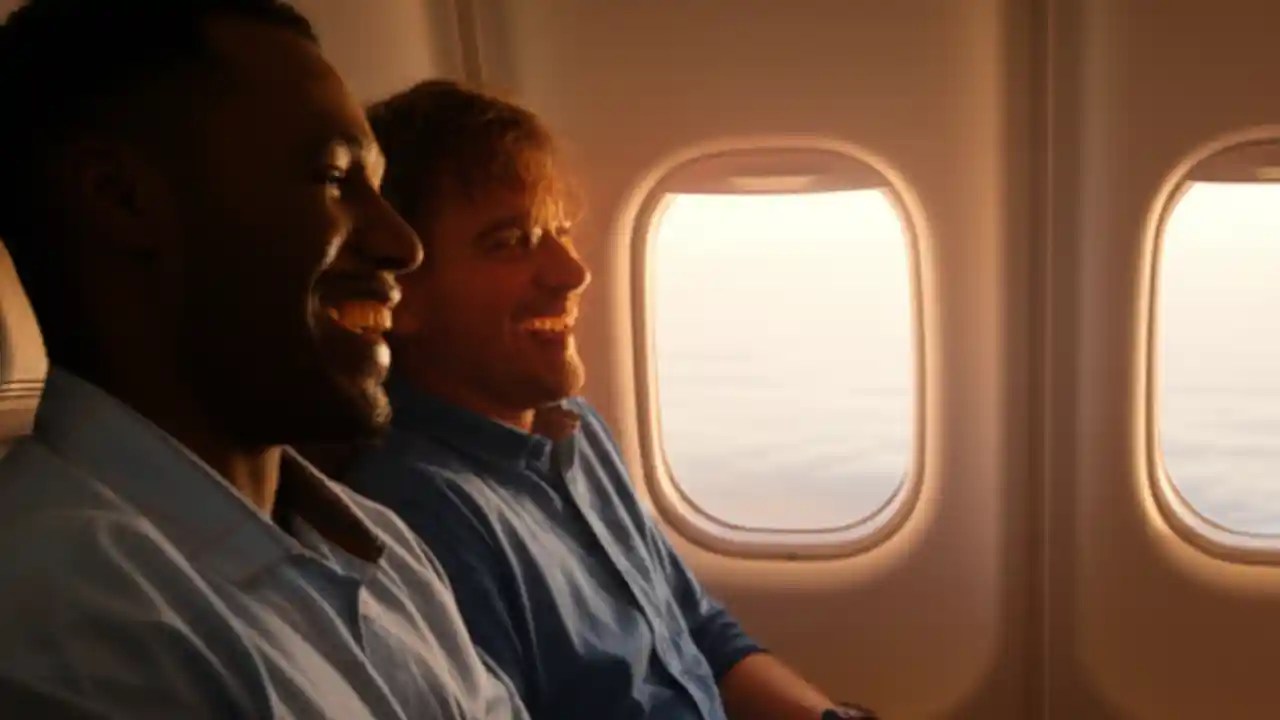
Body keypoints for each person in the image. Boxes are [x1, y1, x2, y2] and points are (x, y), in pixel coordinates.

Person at [0, 3, 526, 718]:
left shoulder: (379, 548)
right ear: (120, 200)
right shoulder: (69, 619)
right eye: (336, 178)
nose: (403, 244)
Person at [344, 79, 877, 720]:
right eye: (509, 242)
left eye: (559, 230)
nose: (571, 272)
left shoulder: (575, 432)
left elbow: (698, 631)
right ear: (405, 295)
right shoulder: (419, 512)